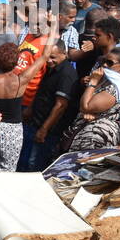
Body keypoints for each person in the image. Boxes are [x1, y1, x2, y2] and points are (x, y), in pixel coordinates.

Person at [0, 37, 54, 171]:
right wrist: (53, 28)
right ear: (17, 62)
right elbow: (45, 55)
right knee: (7, 172)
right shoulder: (21, 80)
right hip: (13, 131)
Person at [62, 46, 120, 153]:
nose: (104, 65)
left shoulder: (117, 87)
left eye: (110, 62)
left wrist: (93, 82)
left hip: (95, 137)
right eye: (103, 61)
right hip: (87, 132)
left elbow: (86, 107)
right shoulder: (106, 80)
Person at [18, 43, 79, 171]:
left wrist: (44, 129)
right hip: (36, 121)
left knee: (34, 164)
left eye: (53, 57)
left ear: (64, 54)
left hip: (48, 130)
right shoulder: (50, 68)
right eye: (47, 57)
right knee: (25, 160)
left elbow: (60, 105)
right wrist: (30, 108)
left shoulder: (66, 74)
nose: (49, 61)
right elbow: (42, 90)